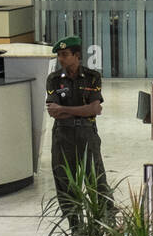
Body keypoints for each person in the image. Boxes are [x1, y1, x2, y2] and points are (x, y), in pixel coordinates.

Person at [46, 36, 111, 224]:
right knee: (65, 183)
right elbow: (53, 112)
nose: (61, 59)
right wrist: (82, 111)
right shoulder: (54, 79)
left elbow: (95, 109)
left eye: (65, 54)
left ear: (77, 55)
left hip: (87, 134)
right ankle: (76, 230)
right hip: (62, 136)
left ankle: (103, 226)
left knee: (96, 180)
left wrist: (65, 109)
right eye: (59, 55)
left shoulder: (92, 77)